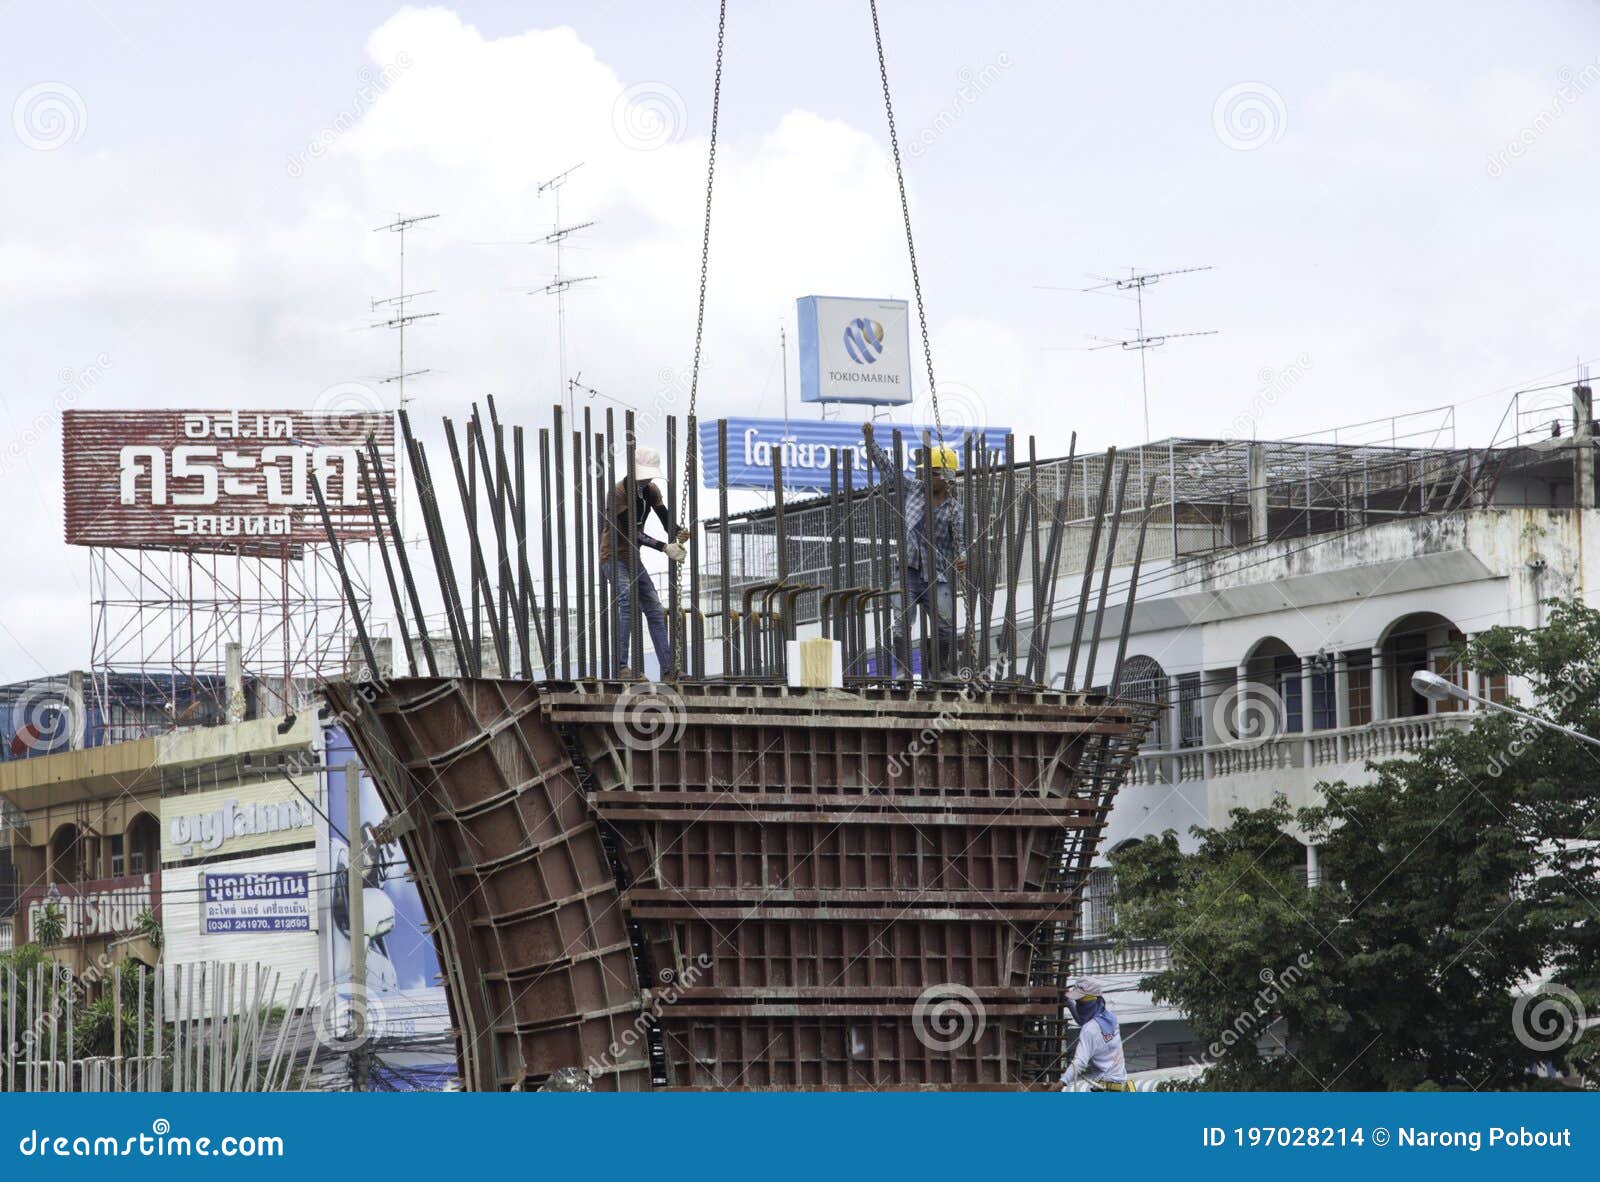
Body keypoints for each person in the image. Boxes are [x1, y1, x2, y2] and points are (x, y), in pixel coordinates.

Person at [862, 421, 965, 675]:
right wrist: (870, 442)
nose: (926, 476)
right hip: (907, 570)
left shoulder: (955, 511)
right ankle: (904, 671)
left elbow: (959, 544)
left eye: (932, 472)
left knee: (945, 624)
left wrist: (962, 558)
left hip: (936, 574)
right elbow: (888, 470)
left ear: (947, 476)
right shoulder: (913, 490)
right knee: (901, 624)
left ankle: (938, 672)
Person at [598, 446, 689, 678]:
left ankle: (669, 670)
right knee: (627, 602)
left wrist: (678, 532)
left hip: (633, 558)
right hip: (614, 557)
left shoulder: (651, 491)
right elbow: (629, 531)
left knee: (655, 609)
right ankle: (621, 667)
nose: (647, 478)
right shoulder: (617, 493)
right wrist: (664, 547)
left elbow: (664, 517)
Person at [1060, 976, 1133, 1092]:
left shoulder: (1089, 1029)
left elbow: (1079, 1062)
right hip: (1123, 1088)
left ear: (1092, 1000)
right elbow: (1086, 1021)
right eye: (1076, 1002)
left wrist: (1061, 1082)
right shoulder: (1111, 1019)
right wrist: (1069, 1003)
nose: (1078, 1005)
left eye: (1080, 1001)